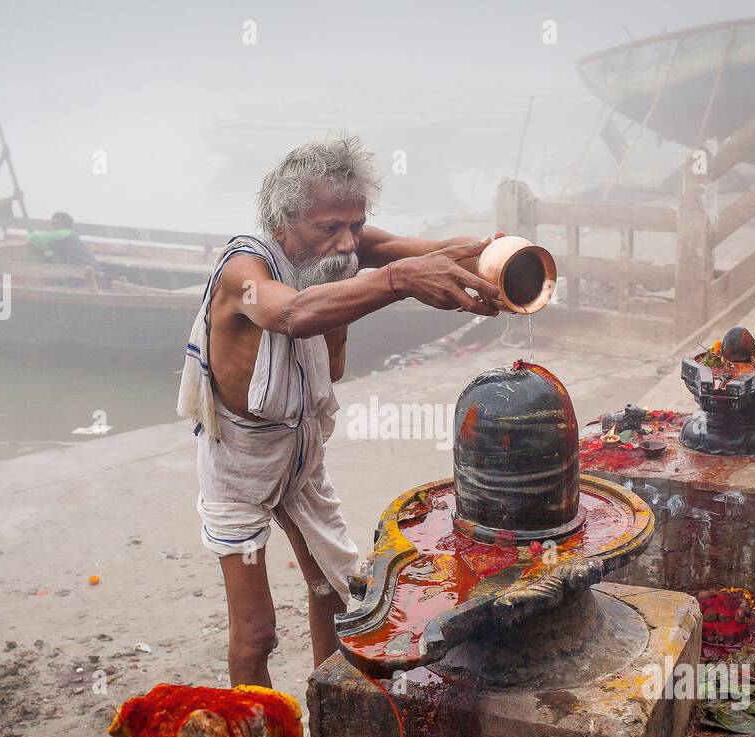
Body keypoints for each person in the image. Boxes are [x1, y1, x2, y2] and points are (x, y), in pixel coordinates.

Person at [176, 133, 503, 688]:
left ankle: (329, 708)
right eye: (330, 228)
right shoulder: (245, 273)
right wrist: (399, 280)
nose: (346, 243)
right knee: (256, 634)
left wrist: (491, 257)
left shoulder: (346, 242)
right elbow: (292, 313)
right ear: (283, 222)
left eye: (355, 225)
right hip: (240, 469)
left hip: (303, 456)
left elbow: (436, 250)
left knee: (336, 589)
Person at [26, 212, 106, 283]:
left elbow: (35, 238)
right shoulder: (65, 238)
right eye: (53, 224)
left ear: (67, 226)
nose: (55, 227)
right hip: (82, 278)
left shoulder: (67, 235)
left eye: (59, 224)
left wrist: (30, 235)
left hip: (90, 280)